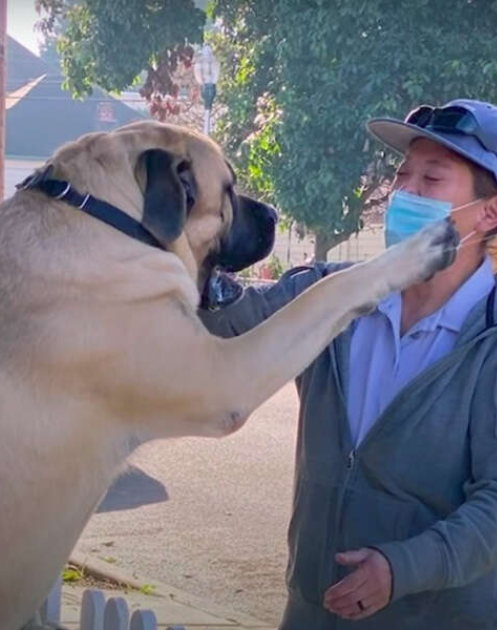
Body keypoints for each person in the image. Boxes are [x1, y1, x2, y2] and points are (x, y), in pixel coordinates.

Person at [202, 99, 497, 629]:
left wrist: (399, 568)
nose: (407, 193)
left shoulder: (487, 343)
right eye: (403, 176)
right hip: (312, 611)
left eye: (433, 179)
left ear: (489, 213)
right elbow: (232, 324)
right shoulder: (331, 297)